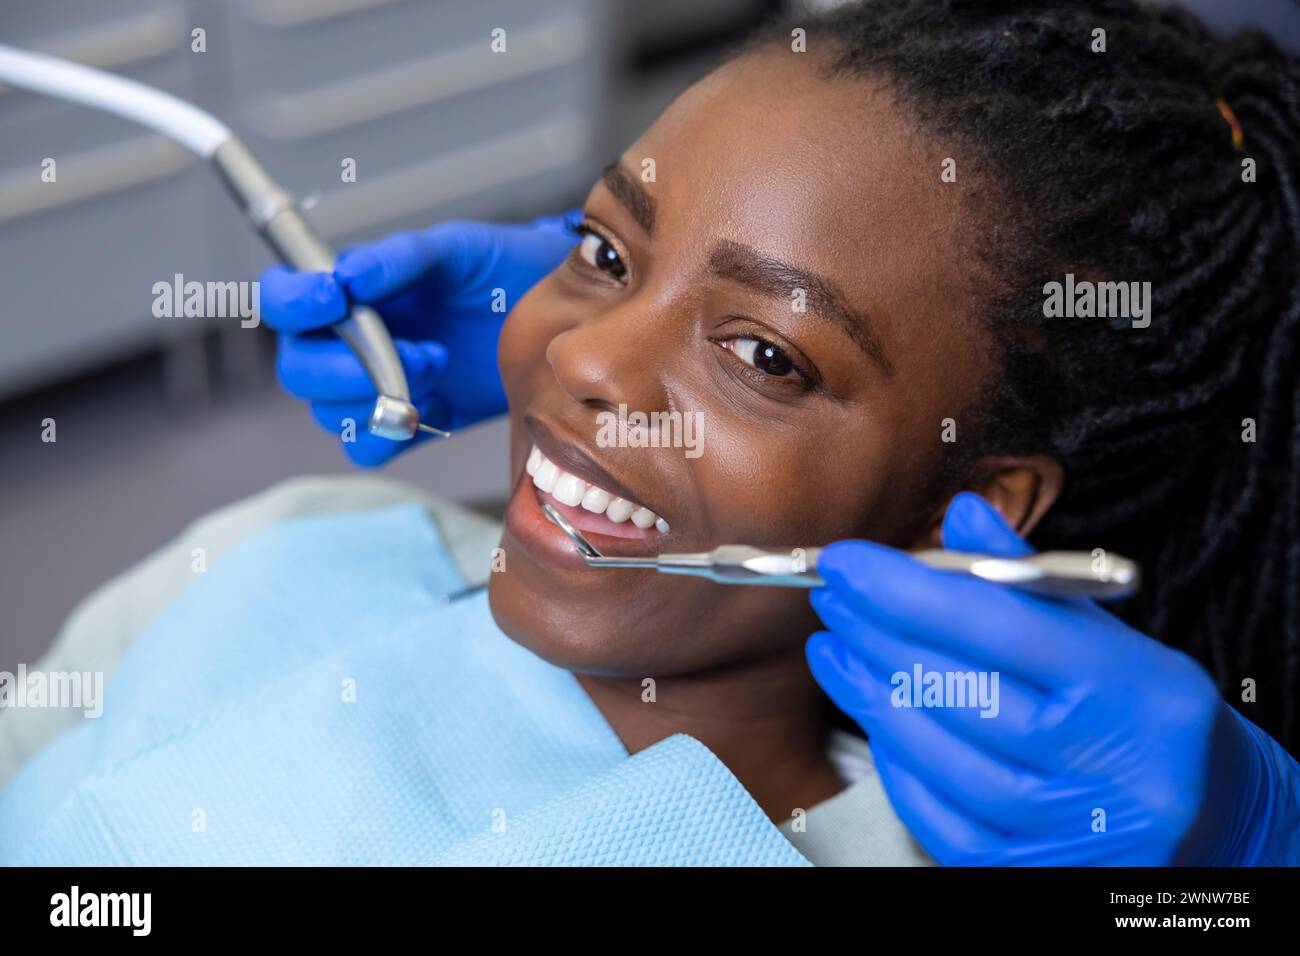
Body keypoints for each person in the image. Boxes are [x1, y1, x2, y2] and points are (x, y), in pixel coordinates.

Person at [3, 0, 1295, 865]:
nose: (583, 353)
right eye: (602, 250)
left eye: (765, 354)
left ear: (985, 508)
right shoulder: (289, 545)